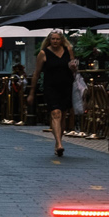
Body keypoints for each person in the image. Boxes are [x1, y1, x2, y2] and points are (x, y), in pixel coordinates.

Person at [29, 30, 77, 158]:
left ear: (62, 40)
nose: (55, 41)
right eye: (53, 39)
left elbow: (73, 67)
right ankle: (60, 144)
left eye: (57, 39)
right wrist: (32, 92)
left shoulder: (68, 50)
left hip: (66, 86)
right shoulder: (44, 53)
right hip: (51, 87)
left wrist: (74, 68)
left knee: (63, 115)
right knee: (56, 114)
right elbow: (36, 73)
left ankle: (58, 142)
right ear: (49, 40)